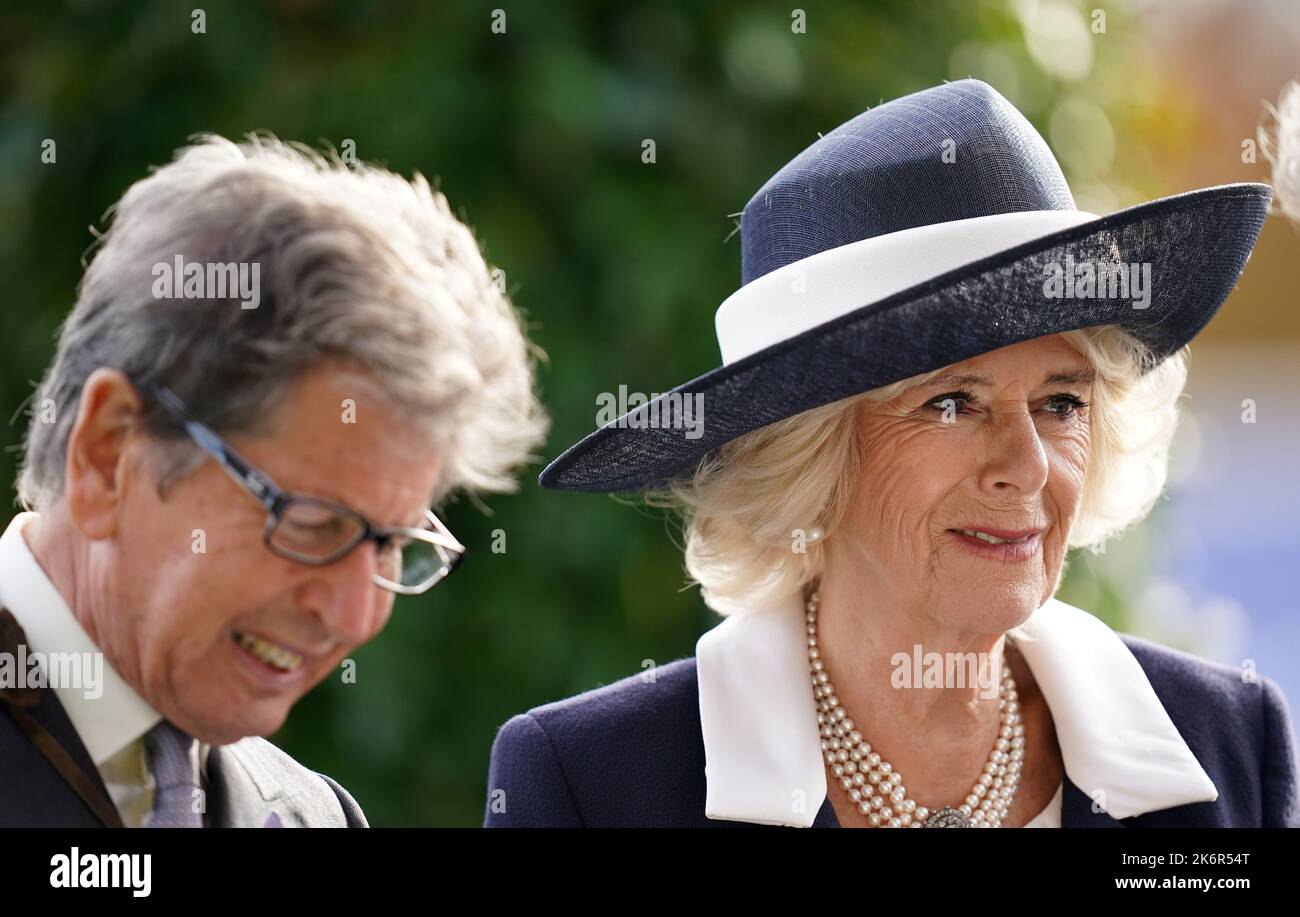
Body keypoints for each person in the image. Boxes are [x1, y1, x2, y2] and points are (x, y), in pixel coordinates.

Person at [484, 79, 1298, 827]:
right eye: (953, 403)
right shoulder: (592, 785)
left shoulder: (1227, 746)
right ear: (811, 460)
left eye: (1061, 403)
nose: (1028, 465)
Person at [0, 134, 547, 827]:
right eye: (312, 524)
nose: (353, 616)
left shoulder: (319, 816)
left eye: (388, 544)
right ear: (109, 453)